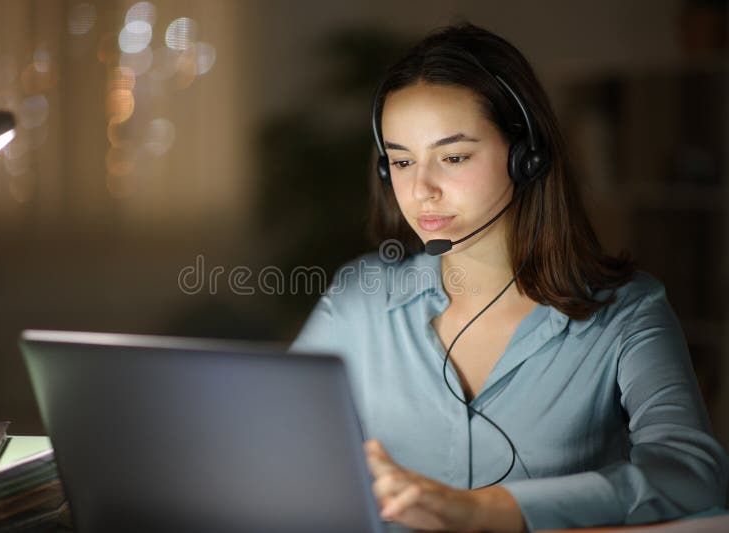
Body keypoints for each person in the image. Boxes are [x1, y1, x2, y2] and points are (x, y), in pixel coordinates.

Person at [288, 22, 729, 533]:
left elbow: (691, 474)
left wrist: (494, 510)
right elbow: (269, 438)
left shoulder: (627, 313)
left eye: (453, 157)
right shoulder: (358, 300)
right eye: (401, 161)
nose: (421, 189)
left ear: (527, 157)